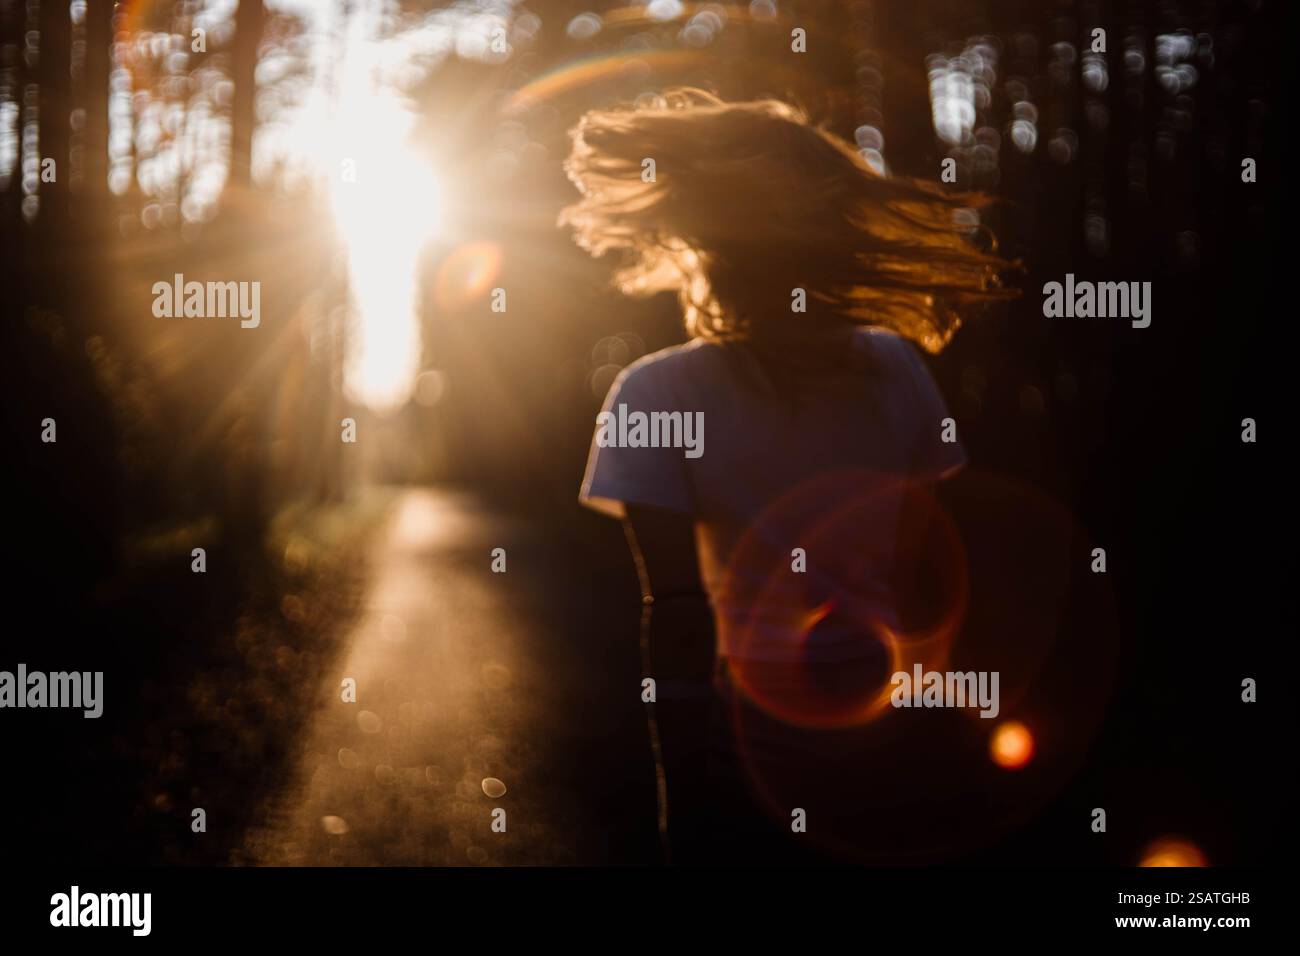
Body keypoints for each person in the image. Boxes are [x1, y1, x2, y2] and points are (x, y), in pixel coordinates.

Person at [561, 89, 1017, 864]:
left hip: (754, 751)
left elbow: (676, 616)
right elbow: (930, 579)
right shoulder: (894, 368)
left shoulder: (657, 391)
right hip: (888, 743)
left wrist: (683, 807)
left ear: (702, 241)